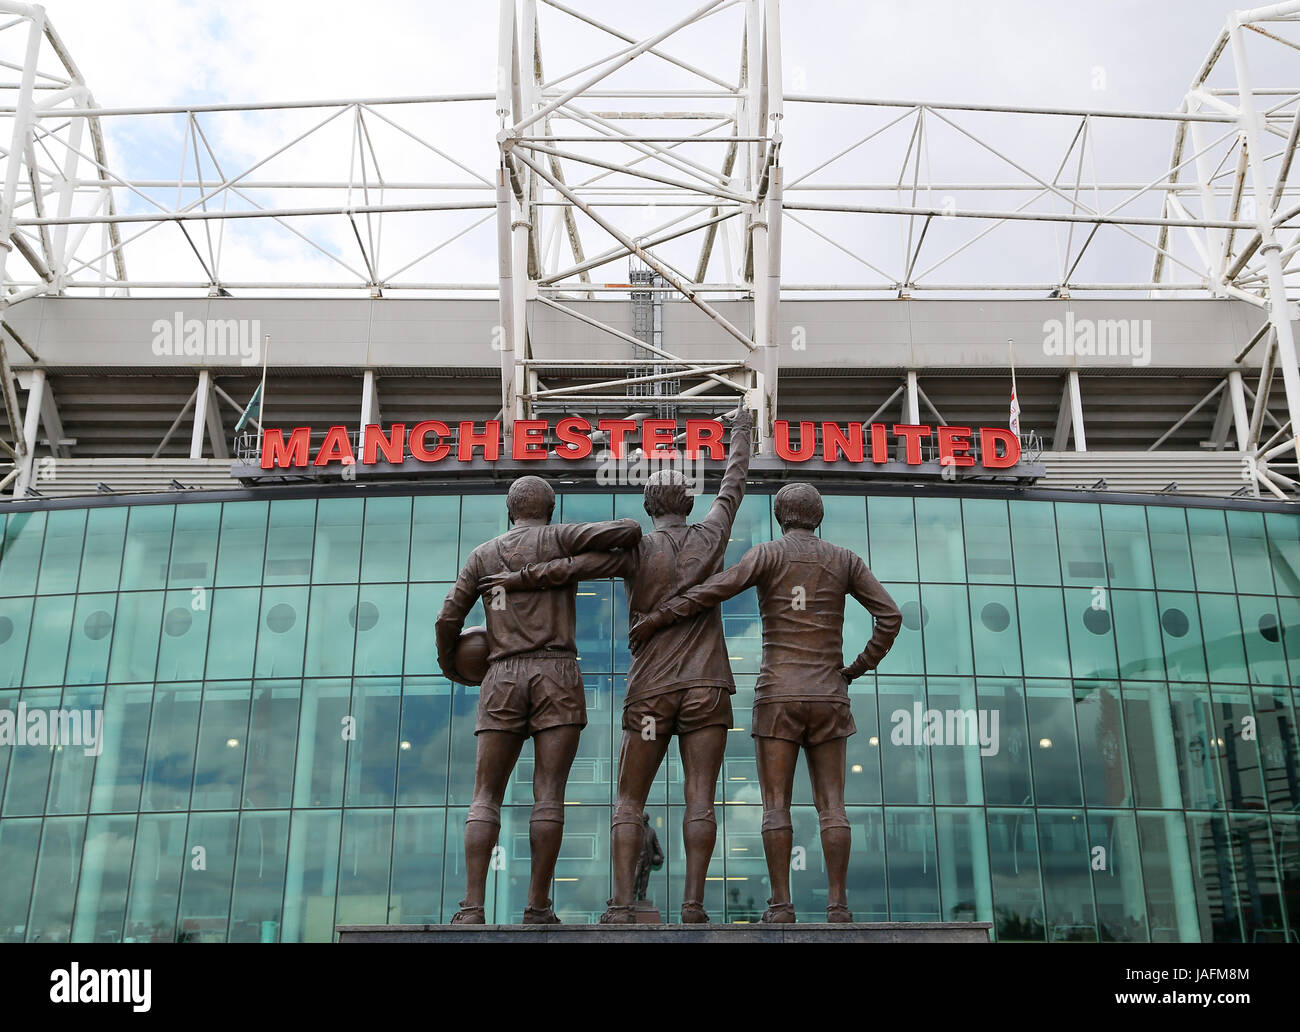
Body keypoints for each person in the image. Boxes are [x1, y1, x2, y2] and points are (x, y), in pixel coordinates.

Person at [481, 410, 753, 923]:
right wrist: (740, 431)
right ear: (689, 502)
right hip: (707, 688)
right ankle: (694, 907)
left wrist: (518, 579)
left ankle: (623, 906)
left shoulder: (636, 550)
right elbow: (733, 483)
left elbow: (572, 568)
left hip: (651, 695)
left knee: (630, 800)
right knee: (701, 798)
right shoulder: (712, 534)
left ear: (648, 507)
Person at [628, 482, 901, 923]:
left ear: (779, 517)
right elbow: (890, 616)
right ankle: (838, 905)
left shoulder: (767, 555)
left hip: (777, 695)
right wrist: (856, 667)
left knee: (776, 806)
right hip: (828, 693)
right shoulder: (845, 559)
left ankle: (781, 904)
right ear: (818, 517)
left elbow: (713, 590)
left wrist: (659, 616)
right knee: (833, 806)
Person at [435, 475, 642, 924]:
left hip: (502, 674)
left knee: (485, 795)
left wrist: (451, 666)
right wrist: (570, 563)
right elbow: (629, 531)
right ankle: (538, 907)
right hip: (556, 672)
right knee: (548, 794)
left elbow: (447, 617)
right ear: (550, 510)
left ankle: (472, 907)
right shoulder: (559, 537)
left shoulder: (482, 555)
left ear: (510, 512)